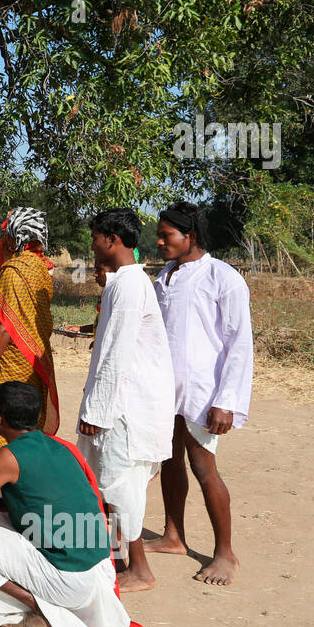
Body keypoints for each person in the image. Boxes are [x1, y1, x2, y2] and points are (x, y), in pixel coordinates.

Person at [0, 381, 131, 627]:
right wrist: (2, 505)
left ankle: (41, 608)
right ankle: (39, 598)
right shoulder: (60, 446)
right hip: (99, 572)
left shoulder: (9, 457)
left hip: (69, 583)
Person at [147, 202, 252, 586]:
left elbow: (239, 343)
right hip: (165, 388)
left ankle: (225, 553)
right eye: (159, 235)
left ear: (190, 235)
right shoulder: (166, 276)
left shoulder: (223, 277)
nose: (159, 242)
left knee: (204, 467)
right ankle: (174, 536)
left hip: (204, 392)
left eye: (166, 235)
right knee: (170, 461)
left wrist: (227, 400)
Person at [76, 208, 174, 592]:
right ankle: (117, 559)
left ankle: (140, 569)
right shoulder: (123, 283)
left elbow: (117, 354)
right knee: (109, 484)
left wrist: (97, 411)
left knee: (119, 486)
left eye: (96, 237)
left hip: (125, 407)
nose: (93, 245)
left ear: (112, 240)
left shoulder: (130, 285)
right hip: (122, 403)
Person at [0, 208, 60, 458]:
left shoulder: (13, 272)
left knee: (1, 433)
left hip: (9, 365)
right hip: (34, 364)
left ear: (13, 238)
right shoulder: (40, 269)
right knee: (26, 430)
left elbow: (7, 328)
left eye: (5, 235)